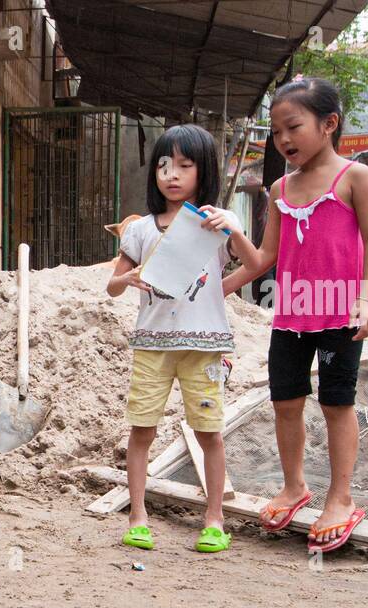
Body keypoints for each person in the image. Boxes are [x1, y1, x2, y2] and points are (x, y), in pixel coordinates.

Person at [223, 76, 368, 554]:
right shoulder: (279, 188)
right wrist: (217, 289)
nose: (284, 140)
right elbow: (265, 256)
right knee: (286, 402)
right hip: (290, 317)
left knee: (337, 404)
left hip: (340, 316)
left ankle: (342, 497)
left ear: (329, 124)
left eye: (292, 127)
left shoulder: (354, 177)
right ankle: (294, 486)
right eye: (276, 133)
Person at [106, 124, 264, 554]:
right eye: (162, 164)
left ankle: (214, 519)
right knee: (141, 431)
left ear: (203, 171)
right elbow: (112, 287)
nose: (170, 174)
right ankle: (138, 516)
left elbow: (256, 264)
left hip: (204, 346)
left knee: (209, 433)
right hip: (152, 346)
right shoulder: (139, 230)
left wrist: (232, 230)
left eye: (183, 165)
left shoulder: (212, 225)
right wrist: (128, 277)